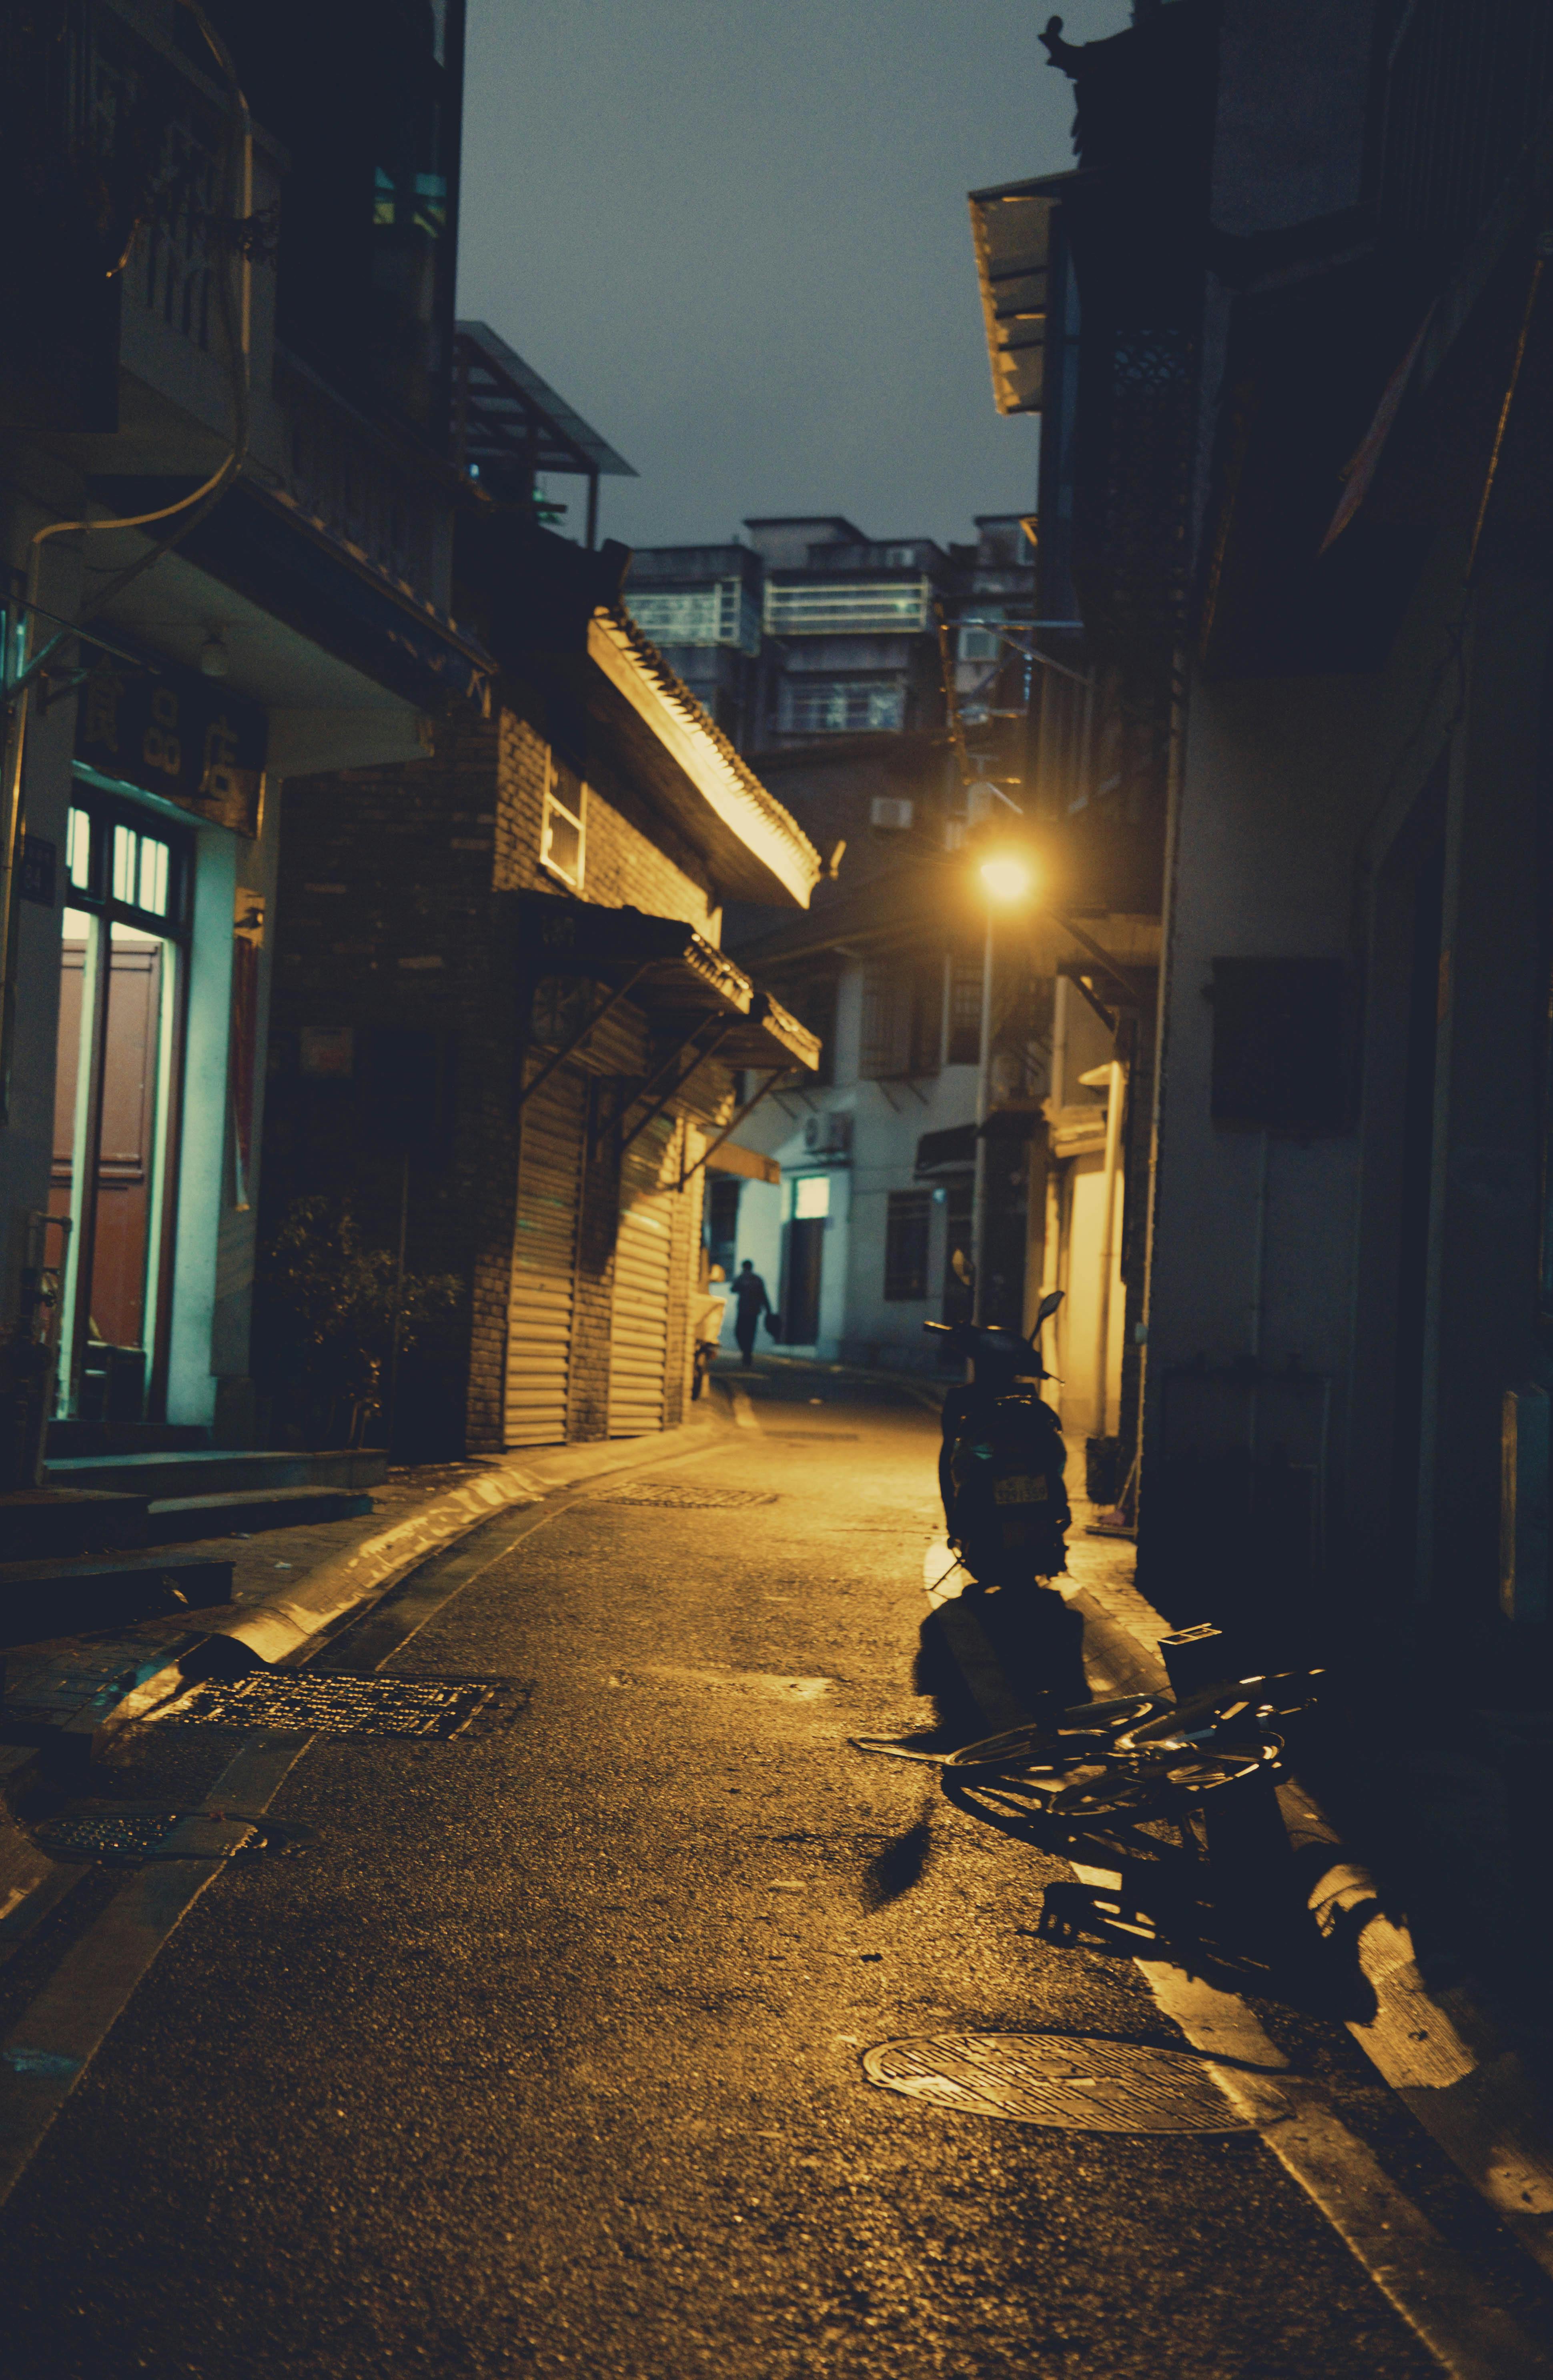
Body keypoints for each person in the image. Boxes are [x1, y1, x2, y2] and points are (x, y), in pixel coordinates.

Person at [729, 1259, 772, 1368]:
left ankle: (746, 1352)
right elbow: (764, 1296)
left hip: (744, 1310)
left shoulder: (743, 1278)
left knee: (740, 1332)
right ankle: (747, 1353)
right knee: (750, 1333)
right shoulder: (757, 1279)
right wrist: (768, 1310)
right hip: (753, 1311)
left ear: (744, 1267)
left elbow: (733, 1289)